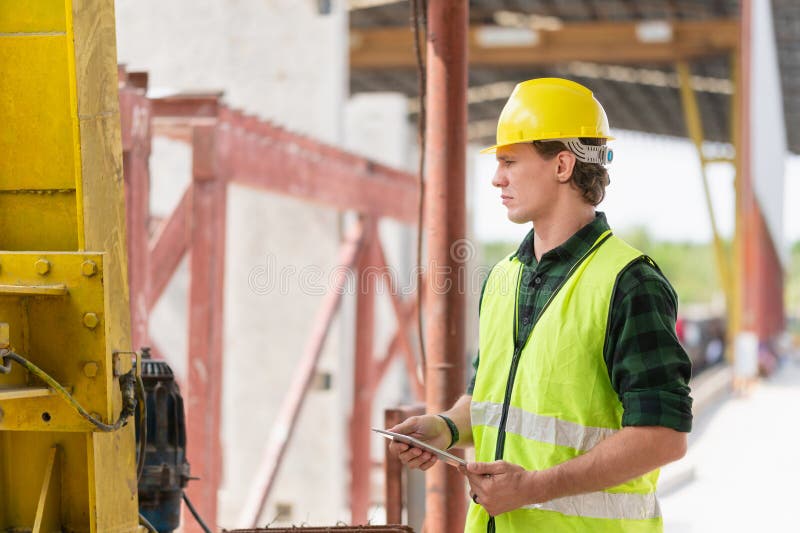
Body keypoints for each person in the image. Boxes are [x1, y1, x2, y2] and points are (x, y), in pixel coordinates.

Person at [388, 78, 692, 532]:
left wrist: (532, 487)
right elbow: (490, 399)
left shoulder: (630, 284)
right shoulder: (503, 278)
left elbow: (664, 438)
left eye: (509, 161)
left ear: (563, 165)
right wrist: (445, 428)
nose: (496, 177)